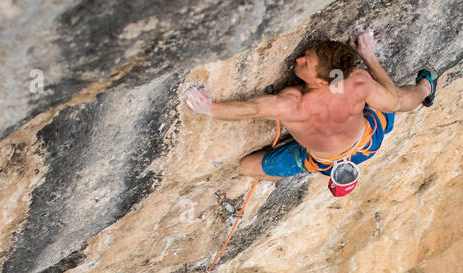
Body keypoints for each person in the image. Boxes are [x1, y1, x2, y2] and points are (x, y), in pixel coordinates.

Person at [185, 31, 437, 182]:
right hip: (368, 141)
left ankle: (297, 170)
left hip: (323, 163)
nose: (299, 59)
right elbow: (393, 101)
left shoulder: (292, 105)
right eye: (307, 54)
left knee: (246, 167)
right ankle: (426, 88)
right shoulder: (356, 81)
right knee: (400, 100)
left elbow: (251, 109)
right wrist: (369, 56)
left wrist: (208, 108)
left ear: (319, 81)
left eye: (305, 62)